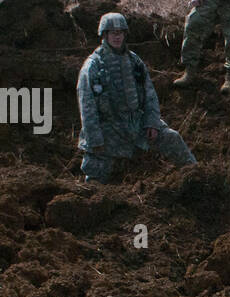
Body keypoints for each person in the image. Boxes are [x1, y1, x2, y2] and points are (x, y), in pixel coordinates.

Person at [77, 13, 197, 183]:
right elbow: (86, 107)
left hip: (137, 121)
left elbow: (150, 95)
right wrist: (95, 139)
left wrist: (152, 123)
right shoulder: (93, 66)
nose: (117, 37)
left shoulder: (134, 62)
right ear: (104, 35)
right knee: (96, 173)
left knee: (172, 138)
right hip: (109, 126)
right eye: (113, 32)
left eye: (120, 32)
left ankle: (195, 175)